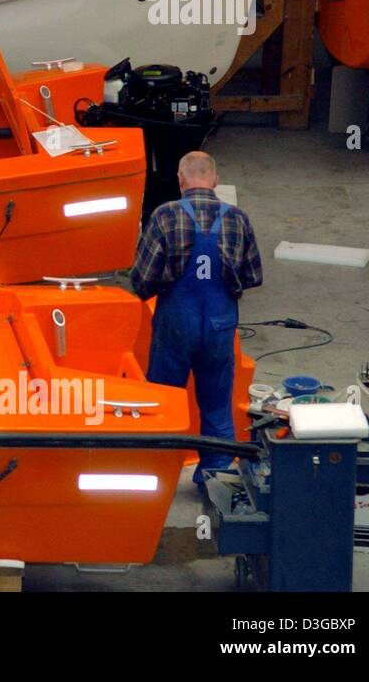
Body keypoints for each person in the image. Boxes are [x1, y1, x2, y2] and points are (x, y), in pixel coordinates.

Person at [130, 150, 263, 488]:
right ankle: (216, 477)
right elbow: (252, 276)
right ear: (215, 180)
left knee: (163, 401)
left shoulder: (164, 216)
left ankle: (156, 477)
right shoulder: (238, 219)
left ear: (180, 179)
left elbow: (141, 283)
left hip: (176, 325)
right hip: (219, 325)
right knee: (217, 404)